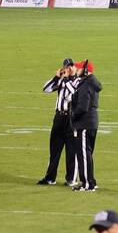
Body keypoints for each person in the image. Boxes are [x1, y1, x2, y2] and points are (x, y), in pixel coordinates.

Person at [38, 59, 79, 187]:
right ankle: (50, 177)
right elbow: (46, 89)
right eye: (66, 66)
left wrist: (66, 79)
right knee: (54, 149)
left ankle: (71, 179)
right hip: (59, 117)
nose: (68, 68)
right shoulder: (61, 79)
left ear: (74, 67)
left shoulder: (79, 80)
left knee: (71, 150)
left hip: (72, 118)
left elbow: (74, 92)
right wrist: (56, 77)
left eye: (70, 66)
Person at [68, 60, 102, 192]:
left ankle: (88, 184)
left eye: (78, 68)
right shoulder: (91, 83)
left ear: (85, 70)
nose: (76, 69)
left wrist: (73, 116)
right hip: (91, 122)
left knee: (83, 155)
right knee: (86, 154)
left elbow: (83, 106)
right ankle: (90, 181)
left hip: (85, 123)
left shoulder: (85, 84)